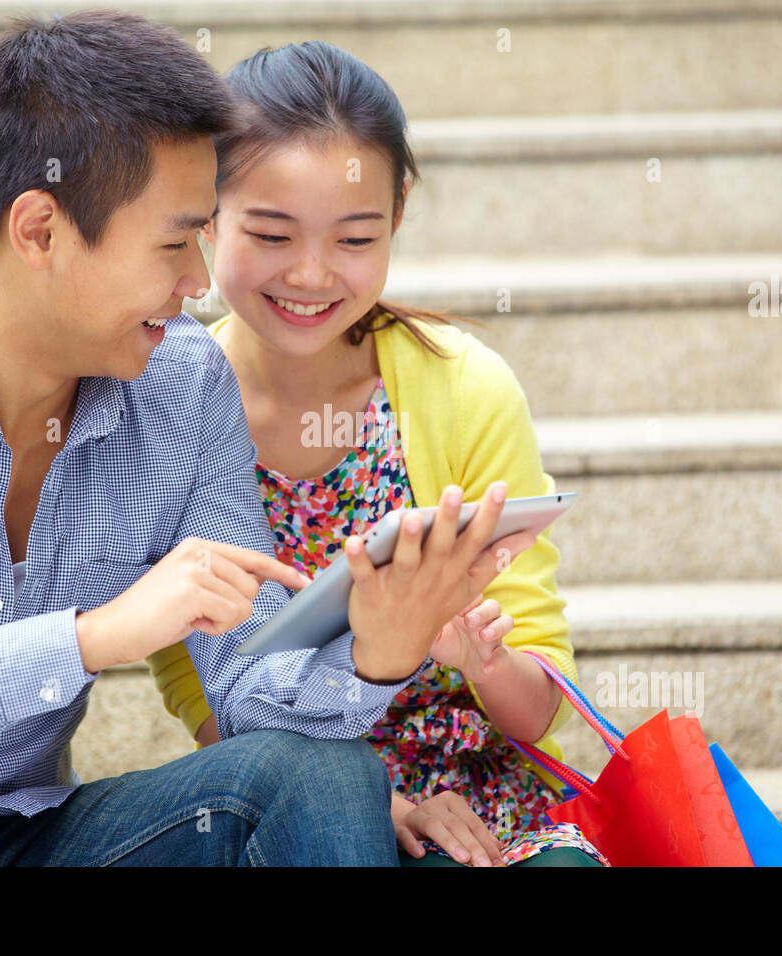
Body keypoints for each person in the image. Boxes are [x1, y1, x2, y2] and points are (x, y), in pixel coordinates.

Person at [0, 12, 527, 867]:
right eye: (175, 242)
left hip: (15, 836)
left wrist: (381, 651)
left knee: (323, 777)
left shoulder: (182, 385)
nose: (199, 283)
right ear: (40, 231)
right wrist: (89, 638)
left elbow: (245, 690)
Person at [147, 41, 608, 867]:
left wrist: (484, 660)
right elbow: (205, 695)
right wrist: (378, 801)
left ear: (397, 215)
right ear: (205, 215)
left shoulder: (464, 390)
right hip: (286, 798)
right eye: (272, 232)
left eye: (355, 239)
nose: (312, 273)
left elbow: (541, 710)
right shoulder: (167, 405)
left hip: (483, 810)